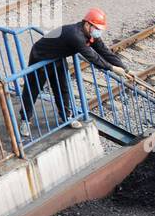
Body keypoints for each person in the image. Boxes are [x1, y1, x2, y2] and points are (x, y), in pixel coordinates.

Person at [18, 8, 132, 137]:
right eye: (97, 28)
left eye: (100, 29)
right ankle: (25, 120)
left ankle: (66, 117)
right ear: (87, 24)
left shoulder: (89, 34)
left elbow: (104, 51)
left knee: (63, 89)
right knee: (33, 89)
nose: (98, 32)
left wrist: (124, 68)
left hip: (57, 57)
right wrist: (112, 68)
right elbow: (93, 57)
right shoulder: (75, 35)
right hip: (41, 56)